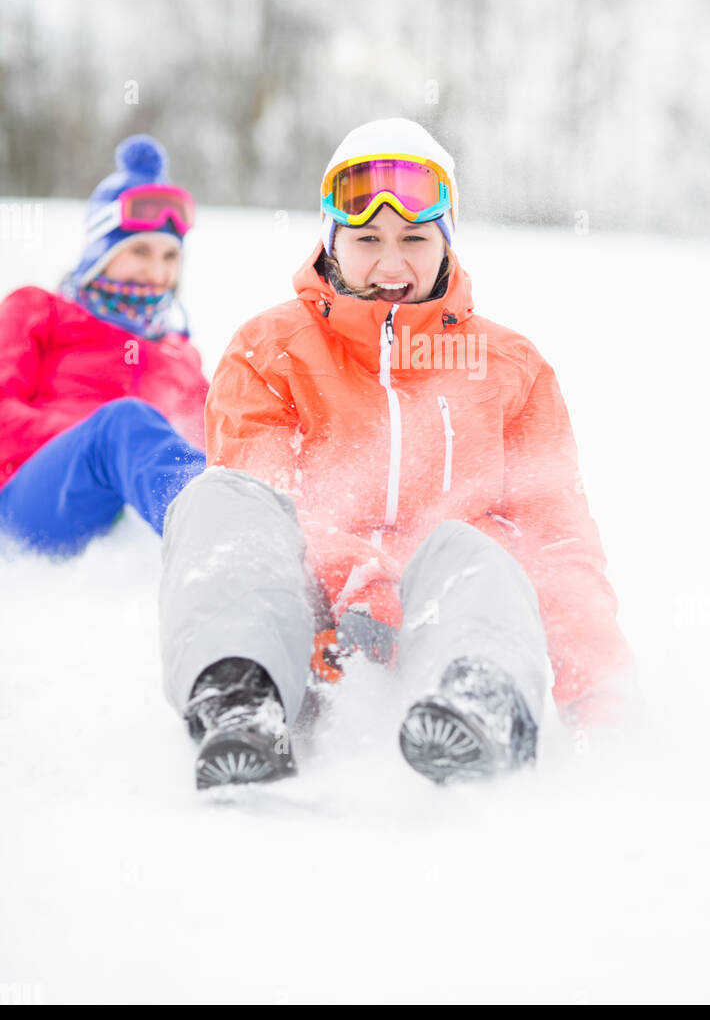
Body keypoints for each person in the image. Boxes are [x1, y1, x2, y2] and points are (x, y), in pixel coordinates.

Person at [159, 117, 638, 790]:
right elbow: (266, 496)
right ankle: (241, 697)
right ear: (331, 241)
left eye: (415, 238)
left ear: (447, 242)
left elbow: (559, 539)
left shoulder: (510, 368)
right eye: (366, 239)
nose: (391, 264)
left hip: (438, 621)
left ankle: (481, 702)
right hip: (307, 614)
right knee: (221, 501)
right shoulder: (269, 350)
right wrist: (361, 579)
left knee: (481, 548)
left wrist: (599, 690)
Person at [0, 135, 208, 557]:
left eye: (170, 257)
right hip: (29, 495)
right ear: (100, 252)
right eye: (140, 251)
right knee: (124, 423)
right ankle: (218, 535)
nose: (156, 272)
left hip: (120, 504)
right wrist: (100, 443)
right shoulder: (39, 310)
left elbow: (214, 438)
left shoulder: (177, 354)